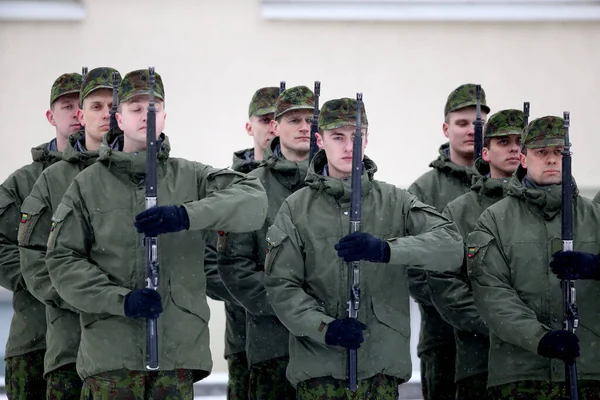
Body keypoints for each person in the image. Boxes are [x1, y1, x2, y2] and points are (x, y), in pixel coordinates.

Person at [45, 69, 268, 400]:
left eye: (154, 109)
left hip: (175, 353)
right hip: (111, 354)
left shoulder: (191, 176)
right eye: (135, 109)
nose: (145, 117)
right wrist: (120, 300)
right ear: (118, 117)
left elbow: (253, 201)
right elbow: (62, 261)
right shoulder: (88, 185)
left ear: (164, 116)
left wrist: (185, 214)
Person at [263, 97, 463, 399]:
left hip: (381, 368)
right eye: (338, 137)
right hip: (319, 373)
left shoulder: (396, 202)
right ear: (320, 140)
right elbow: (281, 286)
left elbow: (451, 245)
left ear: (367, 139)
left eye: (356, 137)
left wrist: (386, 250)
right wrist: (324, 328)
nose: (348, 147)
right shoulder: (296, 208)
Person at [468, 116, 600, 399]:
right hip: (520, 375)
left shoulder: (595, 217)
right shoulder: (495, 219)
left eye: (559, 153)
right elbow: (492, 294)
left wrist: (596, 266)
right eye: (542, 152)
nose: (552, 160)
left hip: (590, 370)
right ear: (525, 159)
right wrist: (539, 338)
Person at [18, 67, 122, 400]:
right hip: (68, 342)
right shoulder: (52, 179)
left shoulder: (149, 174)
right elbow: (33, 258)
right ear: (82, 113)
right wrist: (82, 298)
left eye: (115, 105)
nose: (107, 114)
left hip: (128, 350)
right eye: (96, 106)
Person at [217, 85, 315, 399]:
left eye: (308, 120)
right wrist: (268, 300)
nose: (301, 127)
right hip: (253, 331)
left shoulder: (328, 181)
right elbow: (220, 265)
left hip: (319, 340)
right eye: (267, 119)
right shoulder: (234, 186)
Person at [428, 109, 523, 399]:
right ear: (486, 151)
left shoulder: (553, 210)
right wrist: (498, 325)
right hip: (479, 360)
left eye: (521, 142)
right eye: (503, 142)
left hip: (542, 363)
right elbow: (443, 282)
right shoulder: (459, 210)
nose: (514, 149)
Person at [0, 71, 81, 400]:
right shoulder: (23, 183)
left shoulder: (111, 179)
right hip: (34, 338)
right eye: (67, 105)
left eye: (84, 105)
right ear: (51, 116)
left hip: (98, 346)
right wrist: (42, 279)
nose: (77, 113)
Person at [407, 83, 490, 400]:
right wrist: (462, 309)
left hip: (502, 343)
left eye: (478, 124)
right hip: (443, 341)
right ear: (446, 128)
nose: (471, 131)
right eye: (462, 123)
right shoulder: (424, 191)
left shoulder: (507, 185)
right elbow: (414, 270)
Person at [204, 86, 279, 400]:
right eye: (266, 119)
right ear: (250, 127)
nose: (274, 127)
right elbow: (210, 268)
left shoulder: (312, 187)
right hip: (244, 339)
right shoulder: (227, 187)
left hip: (306, 342)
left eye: (281, 119)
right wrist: (255, 294)